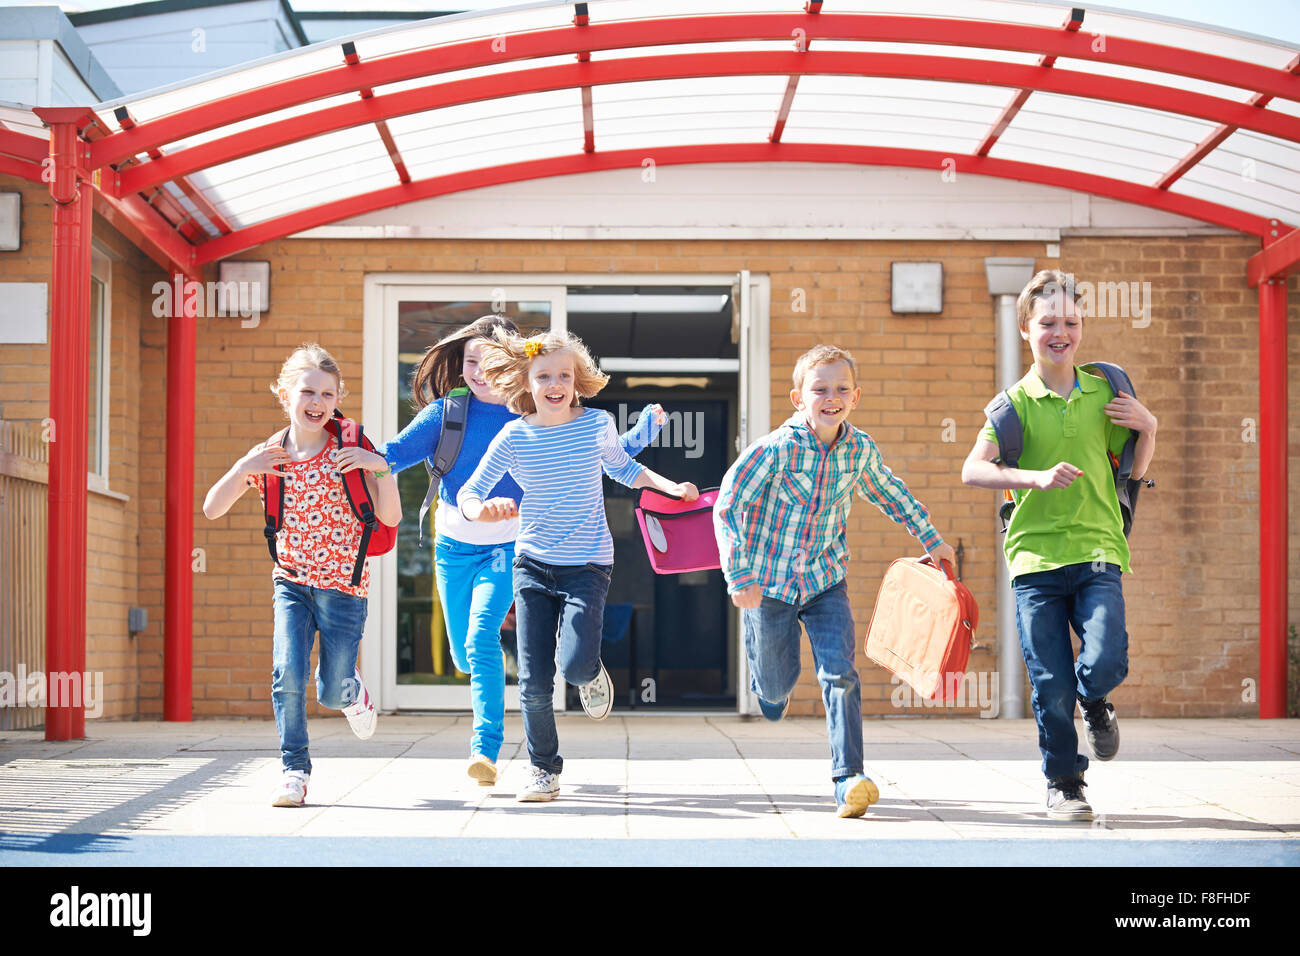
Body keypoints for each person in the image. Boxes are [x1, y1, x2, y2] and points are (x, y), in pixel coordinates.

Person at [377, 315, 664, 787]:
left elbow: (601, 450)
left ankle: (487, 751)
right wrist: (342, 449)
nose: (479, 371)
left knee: (482, 638)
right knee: (464, 656)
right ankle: (520, 721)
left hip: (514, 544)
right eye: (471, 362)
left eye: (489, 363)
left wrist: (642, 436)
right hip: (454, 543)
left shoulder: (529, 409)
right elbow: (393, 454)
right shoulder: (449, 413)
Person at [714, 344, 957, 818]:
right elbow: (728, 504)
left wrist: (931, 538)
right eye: (820, 389)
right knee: (777, 685)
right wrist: (739, 573)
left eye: (842, 389)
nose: (831, 397)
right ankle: (770, 691)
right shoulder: (775, 449)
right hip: (769, 587)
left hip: (827, 581)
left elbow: (889, 490)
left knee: (840, 673)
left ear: (856, 396)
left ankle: (848, 779)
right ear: (797, 398)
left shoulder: (859, 449)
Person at [458, 328, 697, 802]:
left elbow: (624, 469)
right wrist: (477, 510)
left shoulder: (596, 425)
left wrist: (671, 487)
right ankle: (544, 769)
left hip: (587, 564)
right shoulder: (514, 436)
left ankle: (589, 673)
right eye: (544, 375)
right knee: (532, 678)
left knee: (573, 665)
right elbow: (470, 492)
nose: (554, 383)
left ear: (576, 379)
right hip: (531, 566)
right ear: (527, 381)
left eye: (563, 374)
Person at [962, 269, 1157, 821]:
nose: (1060, 332)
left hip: (1099, 549)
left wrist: (1150, 429)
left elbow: (1134, 473)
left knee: (1104, 657)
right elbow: (972, 470)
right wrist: (1035, 477)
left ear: (1082, 327)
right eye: (1048, 322)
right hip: (1036, 560)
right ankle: (1065, 782)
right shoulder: (1012, 405)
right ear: (1027, 328)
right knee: (1049, 684)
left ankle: (1095, 702)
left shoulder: (1106, 391)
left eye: (1070, 321)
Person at [203, 343, 401, 808]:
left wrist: (383, 467)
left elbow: (389, 517)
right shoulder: (269, 456)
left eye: (327, 394)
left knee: (331, 690)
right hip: (290, 581)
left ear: (337, 399)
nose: (317, 402)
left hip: (345, 588)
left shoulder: (353, 445)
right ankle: (294, 770)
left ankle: (352, 692)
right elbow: (212, 508)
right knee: (286, 673)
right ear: (284, 394)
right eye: (307, 391)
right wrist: (242, 468)